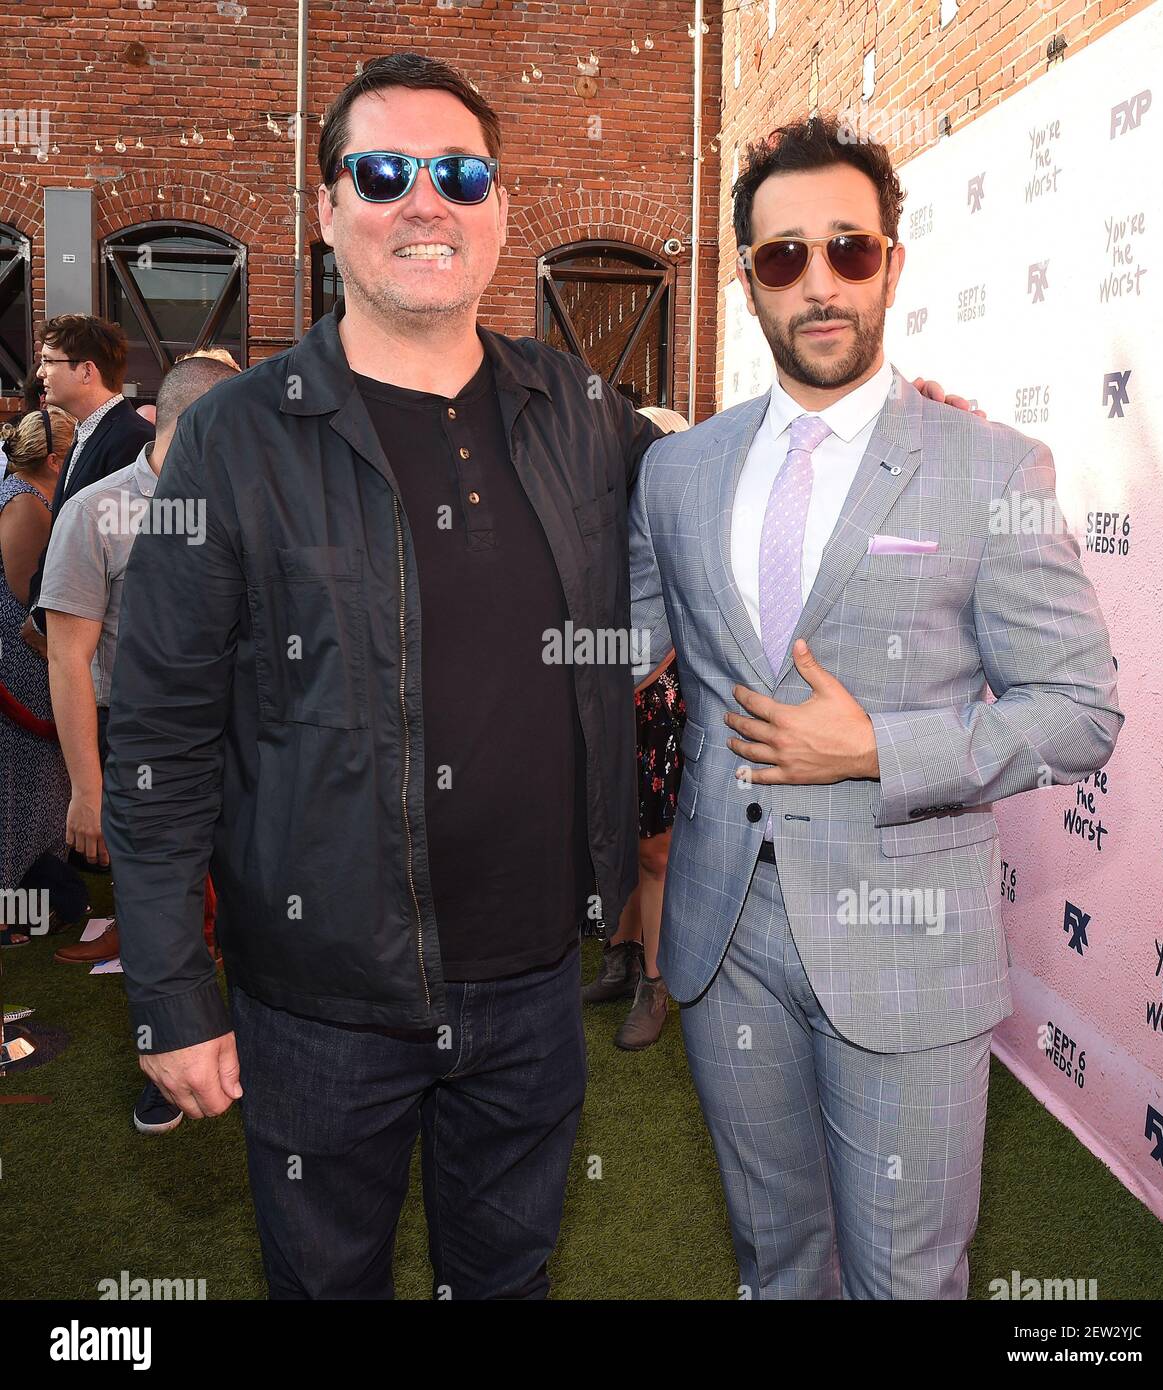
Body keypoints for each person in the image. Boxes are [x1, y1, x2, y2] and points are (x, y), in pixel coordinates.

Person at [101, 56, 977, 1301]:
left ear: (498, 208)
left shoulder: (576, 407)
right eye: (383, 172)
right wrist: (172, 996)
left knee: (507, 1278)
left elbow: (739, 463)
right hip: (318, 1000)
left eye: (458, 174)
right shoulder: (240, 438)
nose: (425, 202)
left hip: (528, 988)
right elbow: (160, 734)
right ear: (326, 207)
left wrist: (887, 420)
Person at [628, 113, 1123, 1299]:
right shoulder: (676, 469)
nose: (819, 282)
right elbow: (625, 646)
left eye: (849, 248)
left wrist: (876, 749)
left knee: (905, 1278)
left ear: (892, 263)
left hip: (907, 946)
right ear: (747, 280)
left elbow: (1080, 708)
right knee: (776, 1260)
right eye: (783, 255)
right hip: (720, 936)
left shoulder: (989, 466)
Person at [39, 354, 239, 1132]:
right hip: (141, 739)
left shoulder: (252, 505)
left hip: (251, 739)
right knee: (163, 914)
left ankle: (259, 1046)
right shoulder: (96, 512)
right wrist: (87, 786)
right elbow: (66, 656)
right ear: (166, 424)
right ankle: (169, 1062)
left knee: (261, 903)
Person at [582, 404, 690, 1051]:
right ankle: (620, 958)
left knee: (656, 850)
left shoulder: (675, 502)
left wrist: (664, 666)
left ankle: (656, 980)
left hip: (658, 696)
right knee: (615, 843)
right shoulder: (593, 504)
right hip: (602, 693)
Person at [21, 316, 154, 655]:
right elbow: (59, 538)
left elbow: (121, 556)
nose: (40, 373)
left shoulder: (132, 438)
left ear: (87, 371)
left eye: (50, 361)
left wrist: (46, 623)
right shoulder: (86, 431)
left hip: (98, 648)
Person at [0, 407, 74, 947]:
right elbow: (30, 604)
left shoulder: (32, 495)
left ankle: (37, 882)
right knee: (22, 783)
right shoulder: (26, 502)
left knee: (41, 782)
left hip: (35, 660)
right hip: (22, 663)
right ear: (53, 458)